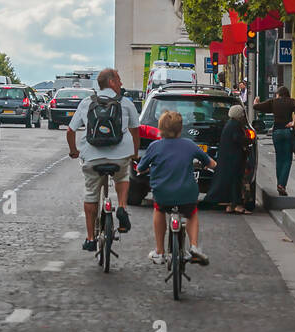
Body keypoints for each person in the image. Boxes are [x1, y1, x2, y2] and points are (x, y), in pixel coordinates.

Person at [66, 67, 141, 250]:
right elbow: (135, 130)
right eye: (119, 79)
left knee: (91, 193)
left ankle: (90, 239)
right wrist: (134, 153)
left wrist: (74, 150)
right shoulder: (125, 103)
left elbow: (70, 131)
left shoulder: (86, 103)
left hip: (92, 157)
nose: (121, 83)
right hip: (120, 156)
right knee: (122, 176)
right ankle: (122, 206)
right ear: (111, 82)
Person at [135, 110, 216, 265]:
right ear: (180, 129)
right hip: (187, 194)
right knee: (191, 213)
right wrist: (211, 166)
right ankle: (194, 246)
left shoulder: (154, 146)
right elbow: (210, 163)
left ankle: (159, 251)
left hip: (163, 194)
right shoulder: (189, 145)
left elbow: (140, 167)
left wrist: (143, 169)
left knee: (158, 209)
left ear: (160, 129)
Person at [202, 105, 251, 213]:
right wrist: (247, 141)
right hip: (233, 159)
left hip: (227, 158)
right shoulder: (235, 126)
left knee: (230, 181)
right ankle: (237, 205)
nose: (243, 116)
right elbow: (237, 138)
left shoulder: (229, 124)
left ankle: (231, 205)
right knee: (236, 181)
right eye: (242, 114)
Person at [255, 85, 295, 196]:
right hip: (287, 131)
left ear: (278, 94)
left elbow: (257, 107)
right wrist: (293, 122)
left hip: (276, 132)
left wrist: (256, 102)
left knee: (279, 159)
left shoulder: (273, 102)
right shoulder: (291, 101)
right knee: (287, 159)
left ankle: (279, 184)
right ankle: (282, 184)